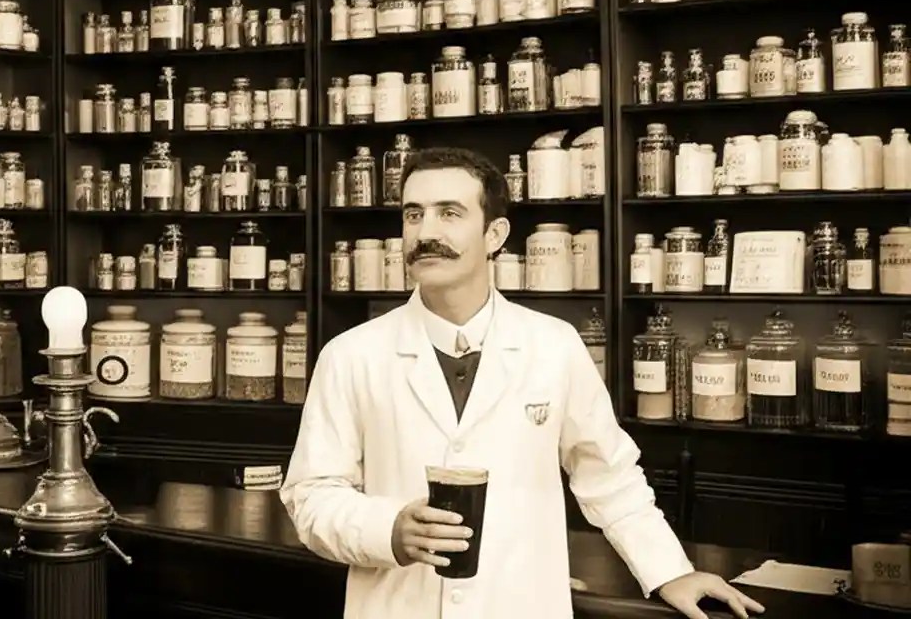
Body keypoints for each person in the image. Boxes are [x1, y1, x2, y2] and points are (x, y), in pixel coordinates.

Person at [280, 147, 766, 619]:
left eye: (449, 213)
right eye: (413, 214)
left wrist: (668, 570)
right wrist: (388, 530)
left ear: (495, 234)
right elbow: (312, 495)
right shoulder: (350, 355)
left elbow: (608, 474)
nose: (425, 232)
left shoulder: (553, 346)